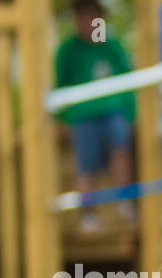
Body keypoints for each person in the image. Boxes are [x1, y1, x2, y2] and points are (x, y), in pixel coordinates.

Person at [54, 0, 137, 232]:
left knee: (120, 149)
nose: (88, 22)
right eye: (82, 17)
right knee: (86, 165)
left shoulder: (113, 46)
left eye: (92, 16)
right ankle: (88, 214)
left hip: (113, 111)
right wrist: (61, 120)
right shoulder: (67, 50)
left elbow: (128, 82)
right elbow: (60, 87)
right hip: (82, 115)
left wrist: (131, 113)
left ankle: (124, 201)